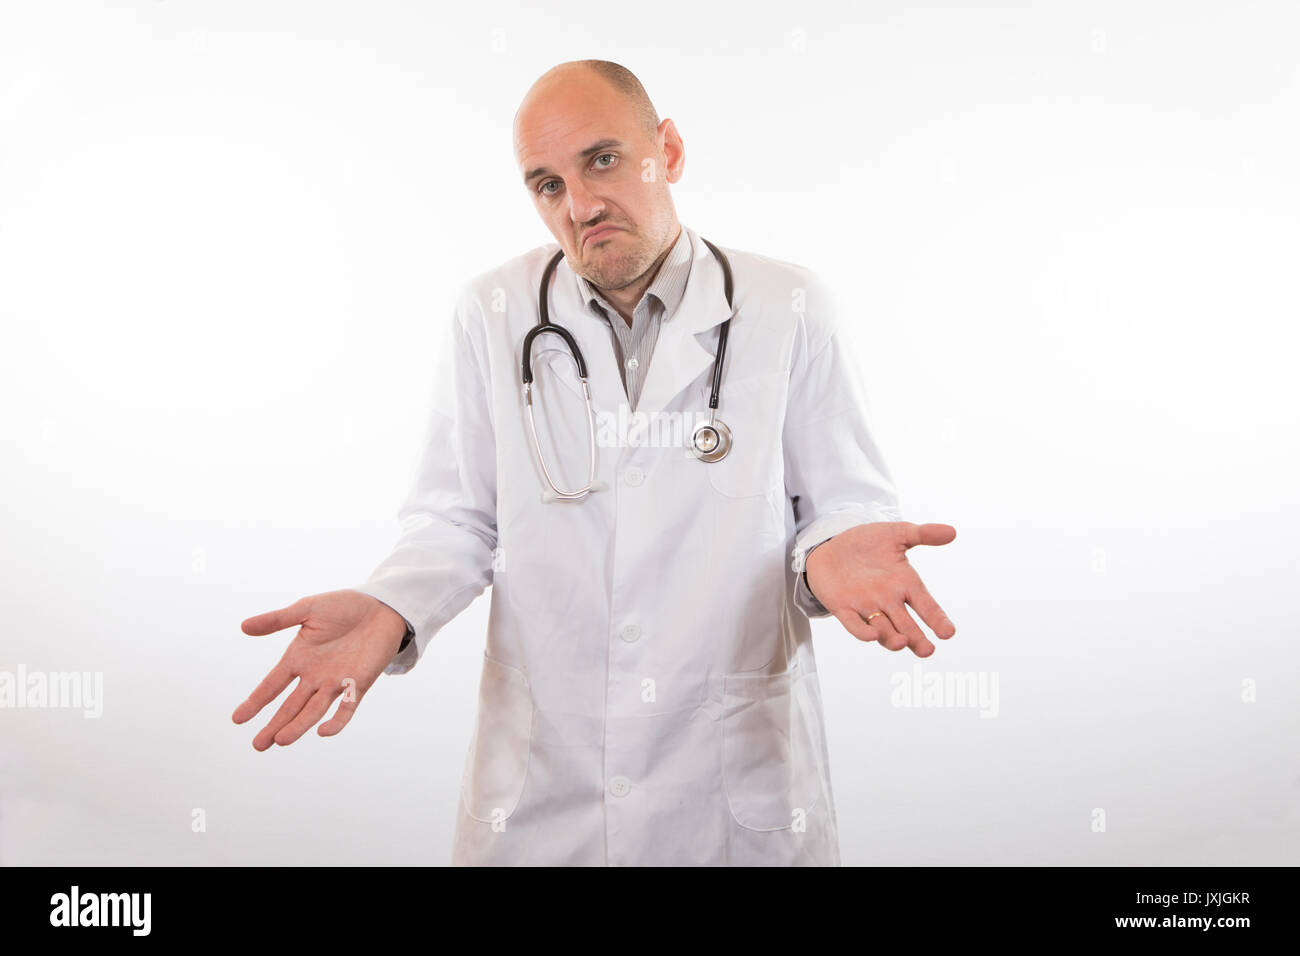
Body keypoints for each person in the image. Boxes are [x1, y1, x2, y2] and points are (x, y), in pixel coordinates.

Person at [233, 59, 958, 866]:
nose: (579, 205)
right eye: (546, 184)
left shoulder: (788, 306)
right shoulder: (491, 313)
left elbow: (842, 503)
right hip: (546, 792)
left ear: (669, 151)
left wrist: (832, 551)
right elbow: (454, 518)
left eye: (601, 160)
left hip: (730, 788)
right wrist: (391, 605)